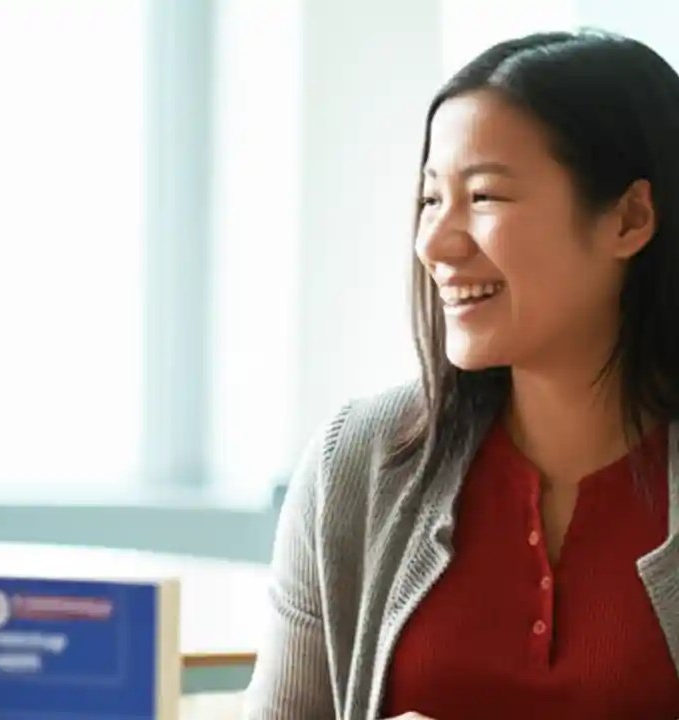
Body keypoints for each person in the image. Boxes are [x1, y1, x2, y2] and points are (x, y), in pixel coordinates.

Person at [245, 29, 679, 720]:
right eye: (429, 200)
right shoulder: (356, 463)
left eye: (484, 198)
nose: (436, 244)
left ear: (629, 218)